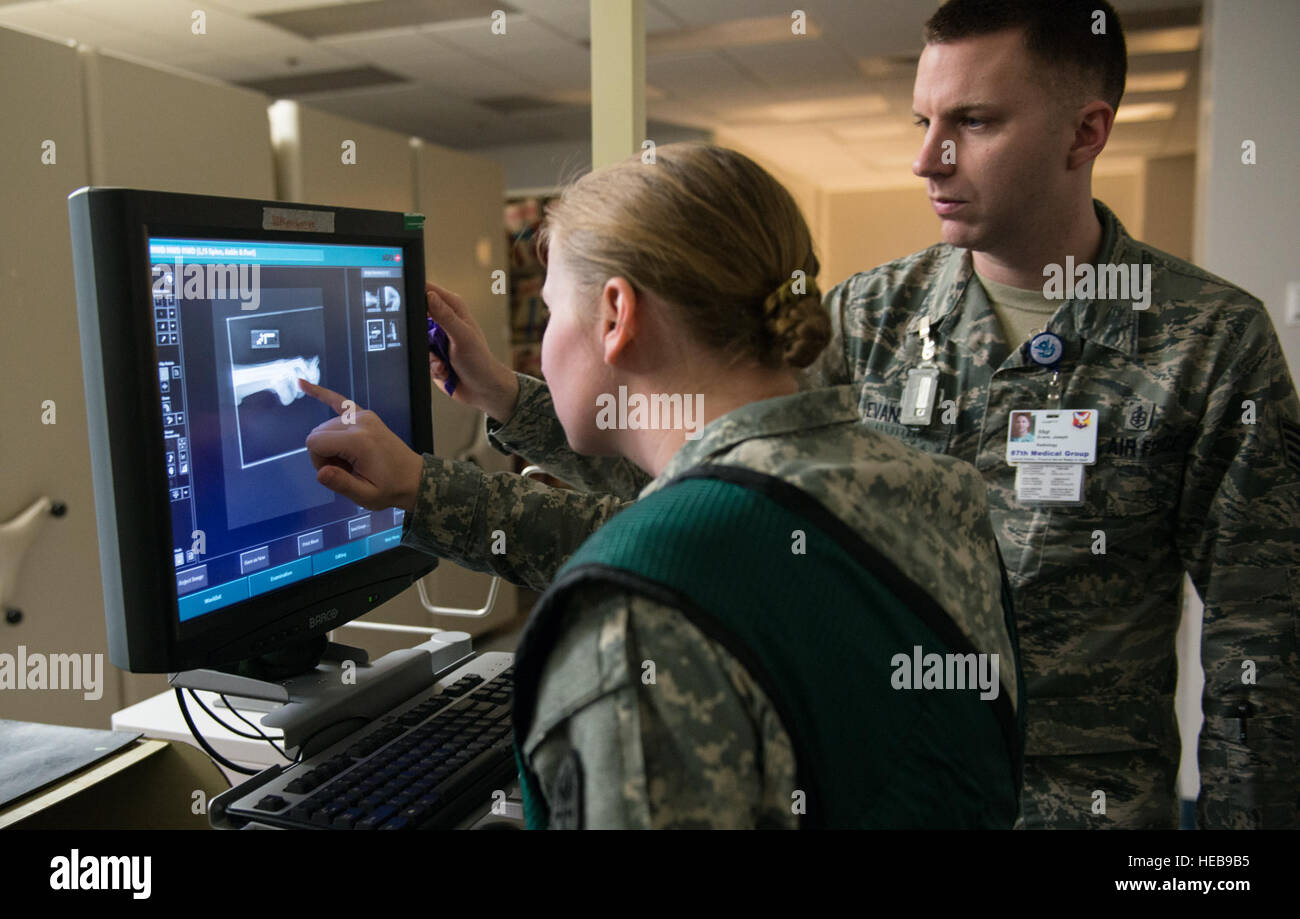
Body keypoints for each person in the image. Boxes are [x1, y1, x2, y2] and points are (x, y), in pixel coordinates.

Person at [396, 0, 1300, 829]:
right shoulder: (875, 313)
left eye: (974, 122)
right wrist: (504, 399)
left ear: (1085, 132)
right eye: (923, 122)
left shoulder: (1207, 342)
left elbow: (1263, 650)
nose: (928, 158)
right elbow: (708, 480)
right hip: (881, 781)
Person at [298, 142, 1023, 828]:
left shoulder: (635, 611)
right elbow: (717, 496)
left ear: (617, 315)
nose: (544, 342)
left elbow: (688, 539)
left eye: (552, 311)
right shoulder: (938, 491)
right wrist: (502, 401)